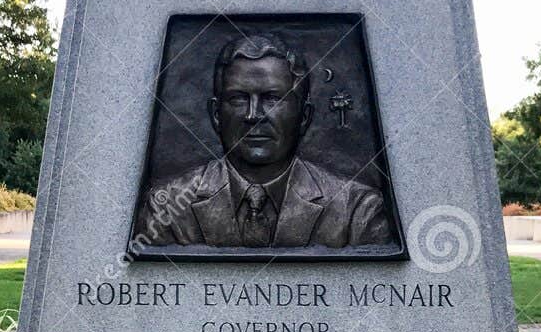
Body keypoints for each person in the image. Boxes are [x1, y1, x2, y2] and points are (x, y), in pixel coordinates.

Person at [136, 31, 391, 250]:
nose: (253, 115)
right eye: (238, 98)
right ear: (216, 115)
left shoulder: (357, 210)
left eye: (272, 99)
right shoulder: (167, 208)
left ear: (304, 116)